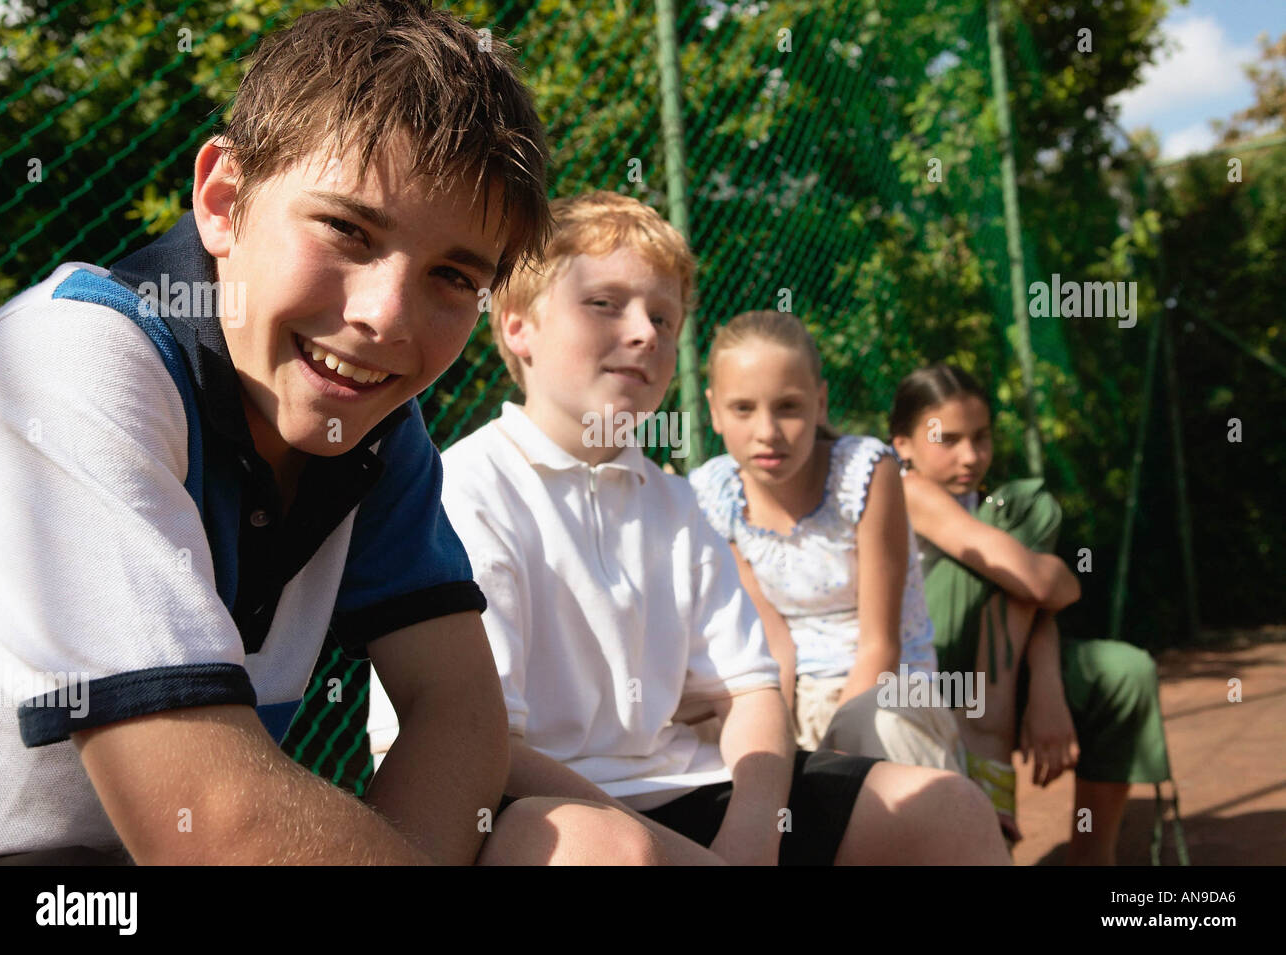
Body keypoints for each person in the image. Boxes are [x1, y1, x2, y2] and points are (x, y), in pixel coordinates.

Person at [0, 0, 670, 866]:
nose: (385, 317)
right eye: (347, 228)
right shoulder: (63, 360)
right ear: (223, 199)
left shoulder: (377, 428)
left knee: (589, 846)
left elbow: (457, 712)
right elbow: (216, 824)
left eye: (454, 275)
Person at [370, 193, 1009, 865]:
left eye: (664, 317)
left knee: (949, 810)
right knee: (606, 851)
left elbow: (749, 689)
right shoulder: (465, 489)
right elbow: (476, 746)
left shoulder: (678, 502)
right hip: (533, 808)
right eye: (605, 303)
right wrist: (687, 856)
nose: (646, 331)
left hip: (687, 789)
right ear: (518, 325)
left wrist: (753, 836)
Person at [889, 363, 1173, 863]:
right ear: (902, 445)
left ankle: (1093, 857)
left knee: (1126, 672)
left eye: (981, 438)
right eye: (947, 439)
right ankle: (986, 795)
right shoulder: (906, 490)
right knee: (1018, 527)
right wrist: (1047, 578)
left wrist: (1046, 685)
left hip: (1001, 668)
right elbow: (1045, 583)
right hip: (923, 676)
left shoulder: (995, 506)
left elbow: (1043, 595)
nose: (971, 456)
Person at [688, 311, 965, 773]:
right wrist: (778, 739)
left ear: (820, 403)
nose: (767, 432)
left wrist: (826, 762)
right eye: (743, 409)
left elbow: (881, 645)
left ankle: (951, 817)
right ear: (714, 410)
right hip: (787, 686)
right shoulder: (713, 494)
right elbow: (774, 644)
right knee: (690, 727)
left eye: (789, 407)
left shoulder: (865, 472)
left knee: (868, 727)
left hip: (885, 688)